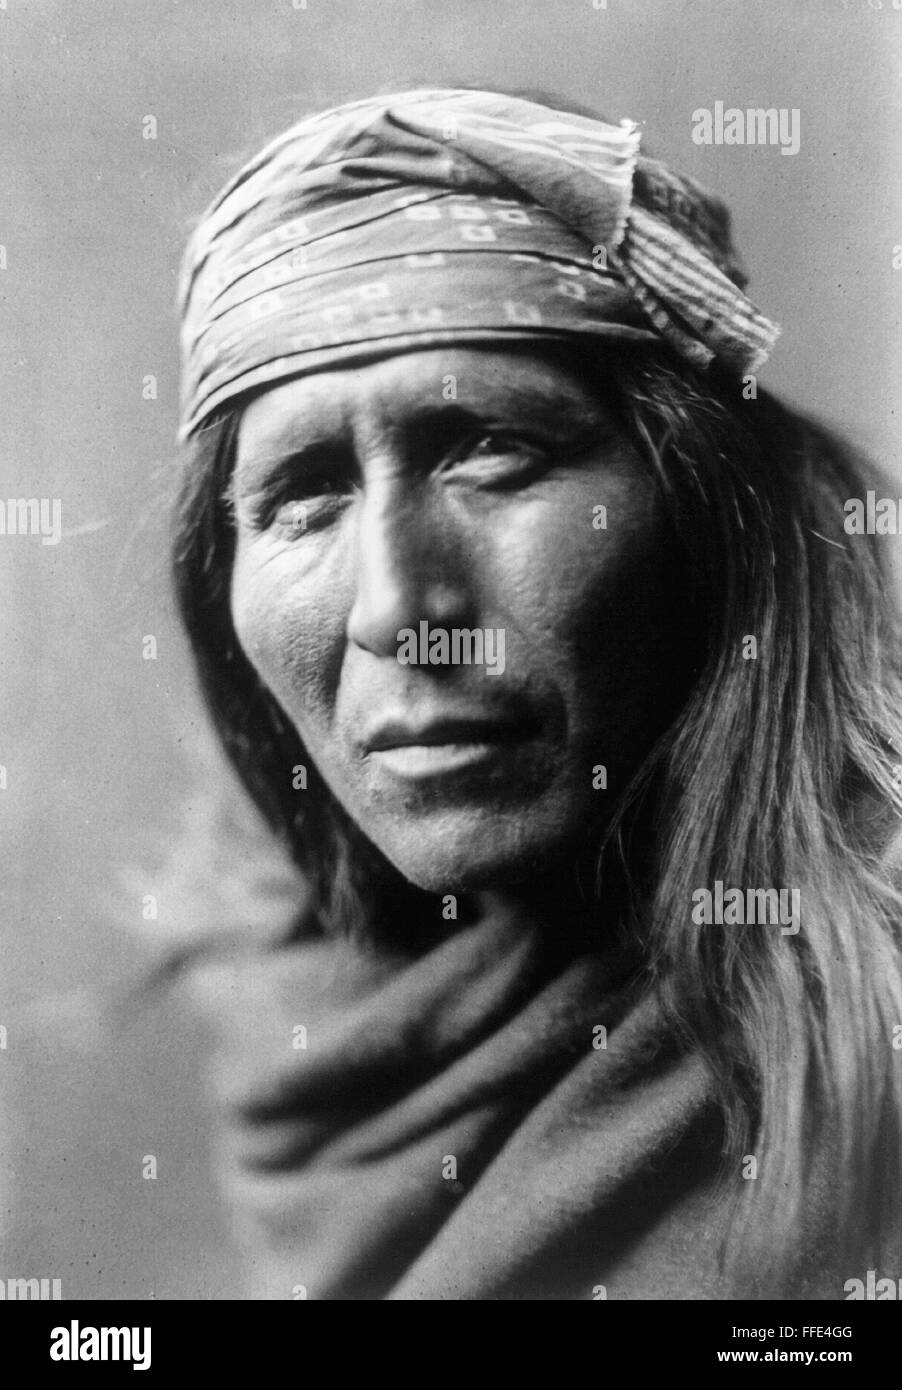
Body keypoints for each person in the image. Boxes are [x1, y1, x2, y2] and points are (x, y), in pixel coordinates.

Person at [172, 87, 902, 1300]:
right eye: (303, 495)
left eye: (490, 450)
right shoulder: (292, 1013)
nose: (396, 610)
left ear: (700, 508)